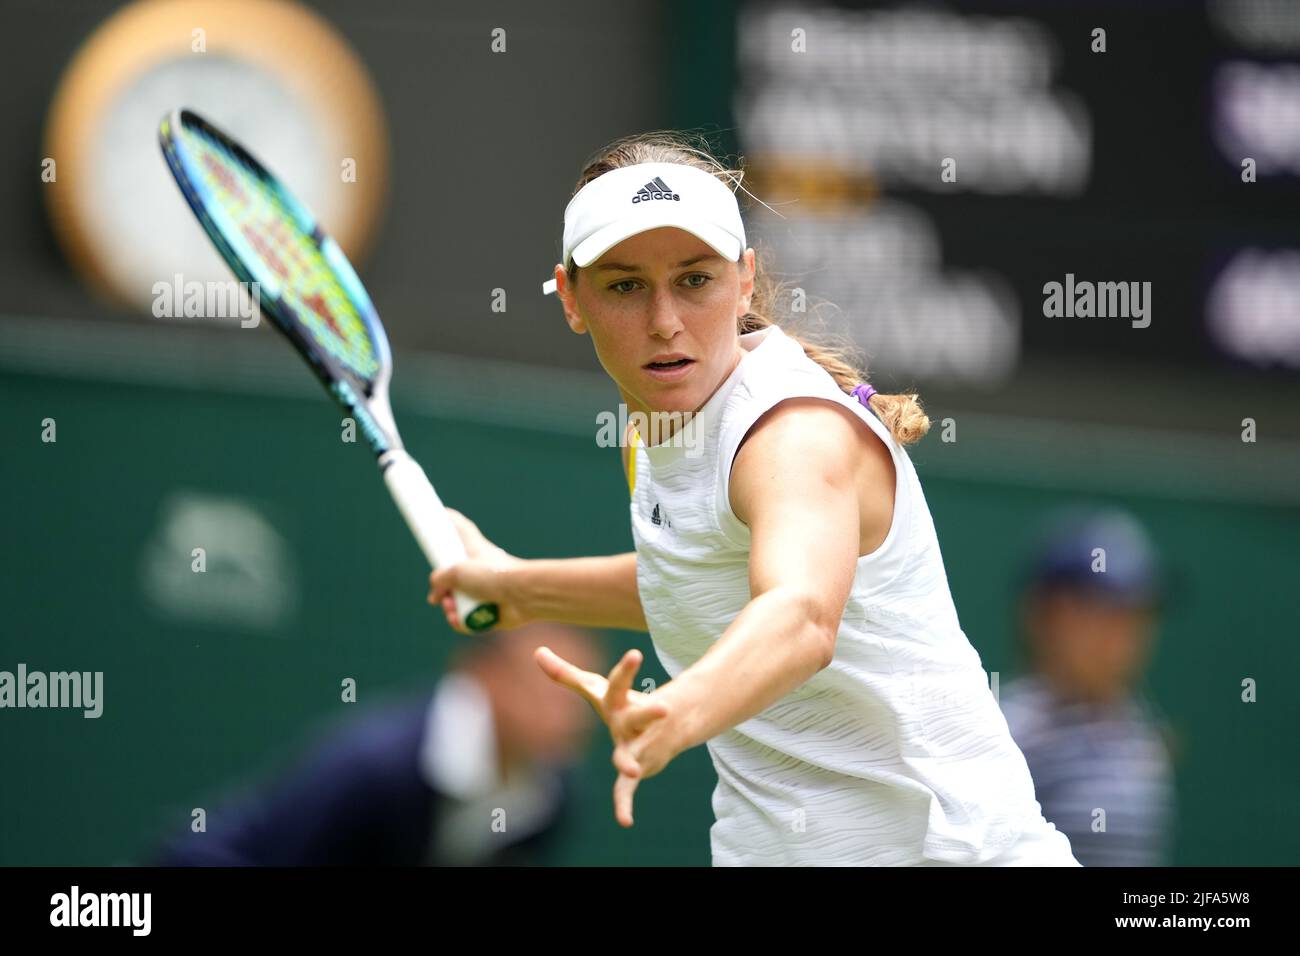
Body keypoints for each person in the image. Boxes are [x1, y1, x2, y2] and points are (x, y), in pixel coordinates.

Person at [427, 132, 1079, 866]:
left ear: (744, 279)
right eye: (624, 285)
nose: (665, 320)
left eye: (694, 279)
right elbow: (696, 578)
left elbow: (799, 614)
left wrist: (677, 711)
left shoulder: (792, 436)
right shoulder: (659, 428)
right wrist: (517, 589)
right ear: (572, 298)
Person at [153, 623, 601, 866]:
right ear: (484, 677)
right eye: (546, 691)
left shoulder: (552, 798)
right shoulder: (375, 764)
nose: (567, 715)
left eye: (580, 695)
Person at [999, 508, 1178, 867]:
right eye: (1103, 614)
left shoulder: (1139, 727)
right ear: (1047, 616)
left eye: (1135, 617)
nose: (1121, 640)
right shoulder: (1007, 731)